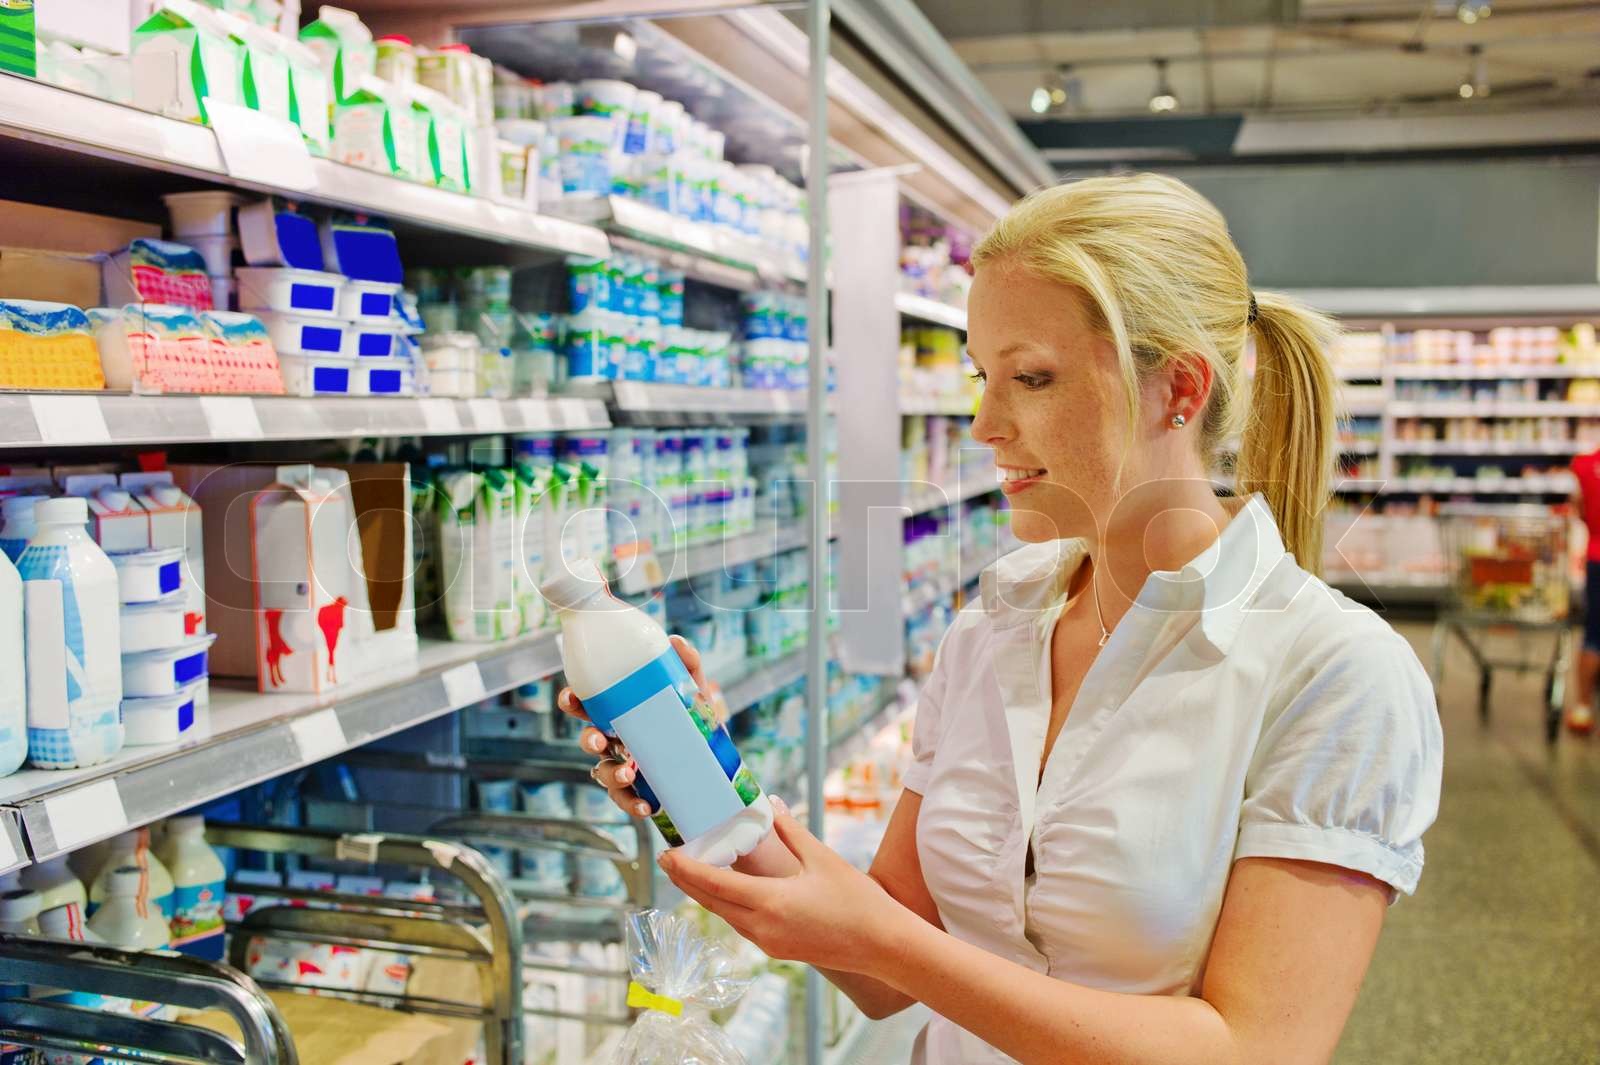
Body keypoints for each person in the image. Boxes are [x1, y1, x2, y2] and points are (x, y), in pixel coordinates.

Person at [559, 173, 1445, 1064]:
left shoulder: (1336, 674)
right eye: (983, 376)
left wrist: (886, 941)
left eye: (1030, 377)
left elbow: (1254, 1049)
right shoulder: (992, 627)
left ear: (1178, 387)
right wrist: (706, 791)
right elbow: (883, 975)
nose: (984, 423)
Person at [1567, 445, 1600, 733]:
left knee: (1593, 635)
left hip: (1596, 557)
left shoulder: (1586, 464)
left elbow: (1580, 510)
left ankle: (1582, 709)